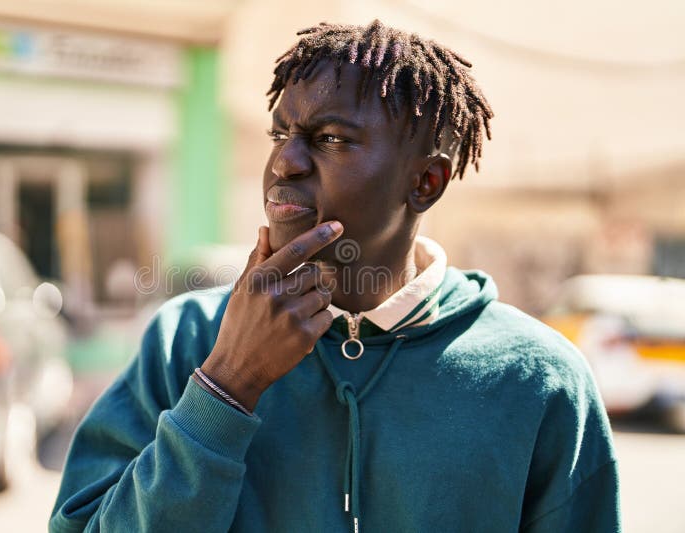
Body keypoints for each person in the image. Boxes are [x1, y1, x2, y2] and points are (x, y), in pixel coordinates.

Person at [50, 20, 621, 532]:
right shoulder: (187, 340)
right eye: (280, 135)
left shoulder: (539, 381)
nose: (284, 163)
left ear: (425, 182)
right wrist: (226, 387)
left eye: (330, 140)